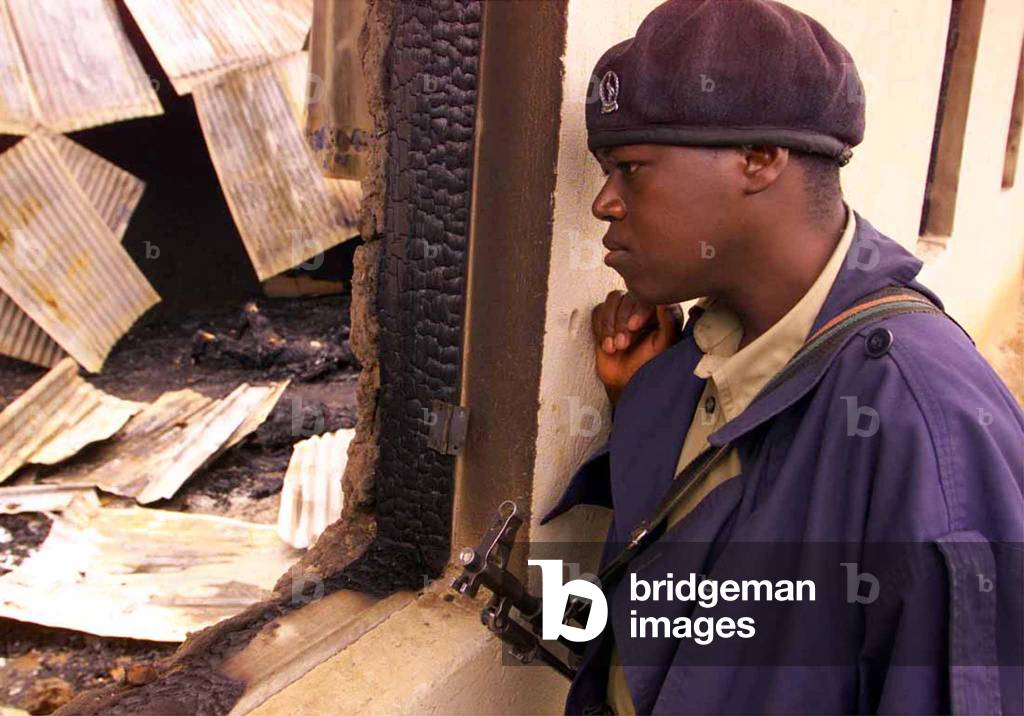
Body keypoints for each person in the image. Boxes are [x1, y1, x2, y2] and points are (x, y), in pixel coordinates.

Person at [539, 1, 1024, 714]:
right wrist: (643, 409)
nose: (604, 204)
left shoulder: (930, 423)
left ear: (760, 158)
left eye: (632, 168)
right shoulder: (692, 362)